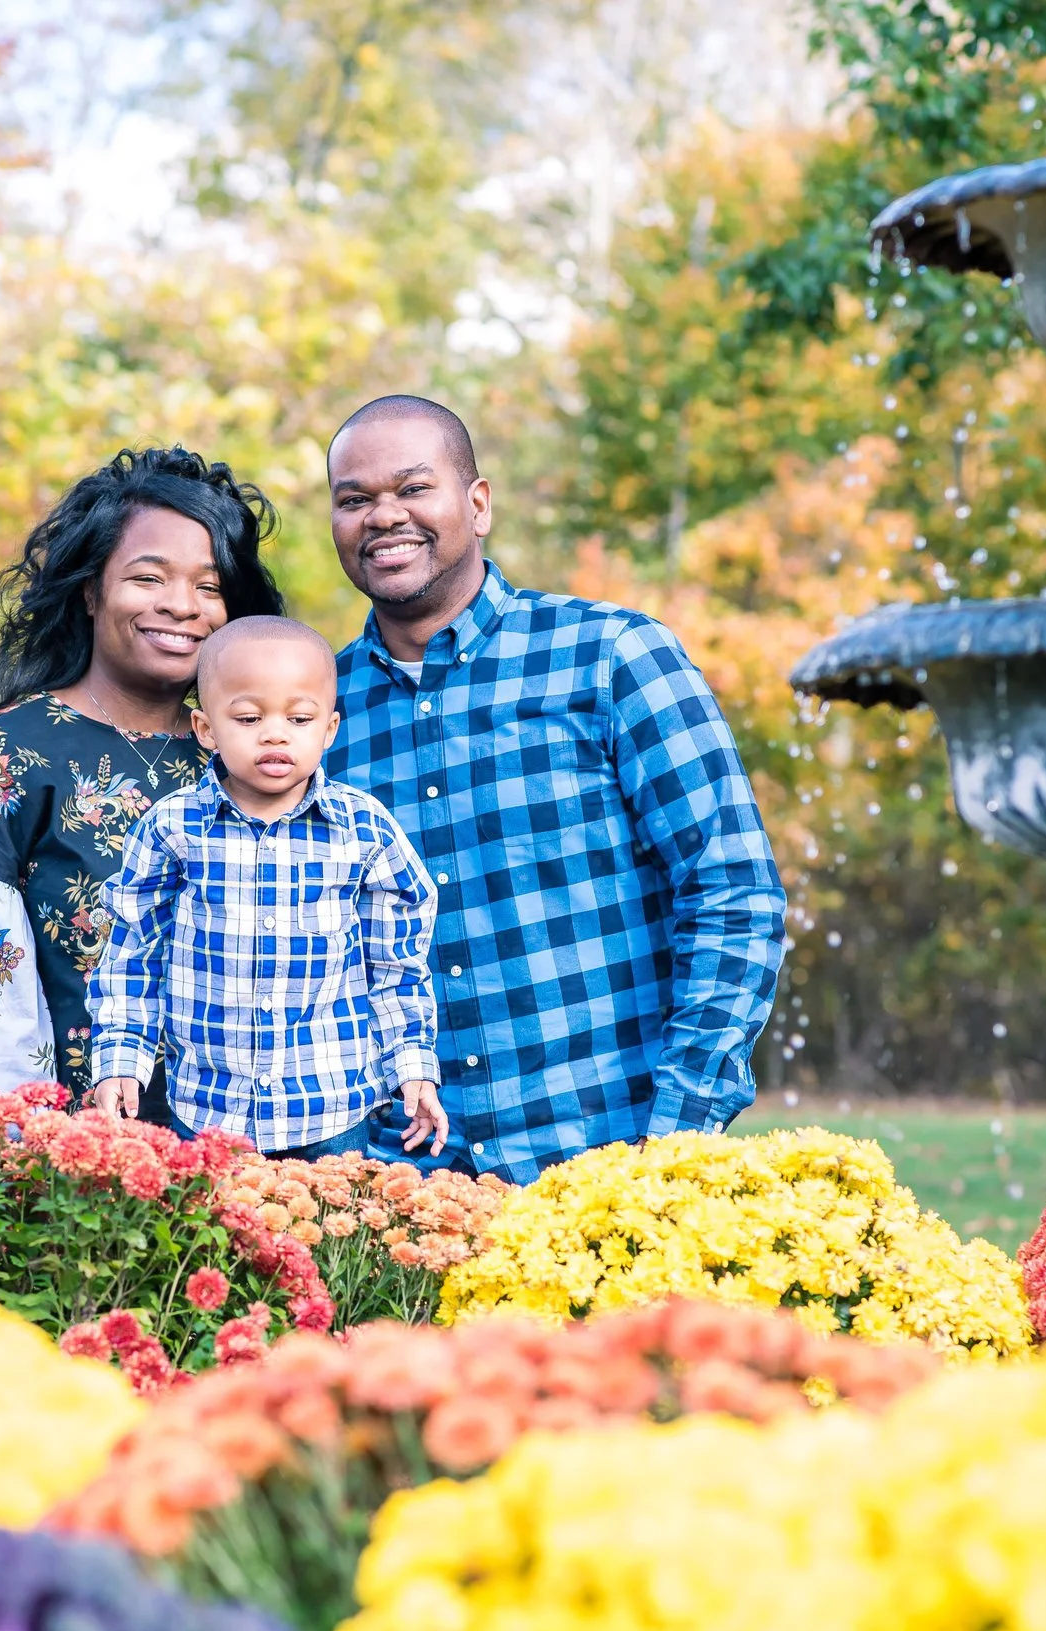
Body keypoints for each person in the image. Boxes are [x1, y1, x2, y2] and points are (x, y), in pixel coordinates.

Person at [321, 394, 787, 1182]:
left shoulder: (610, 657)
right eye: (354, 499)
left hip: (609, 1176)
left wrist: (673, 1144)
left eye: (412, 488)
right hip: (403, 1201)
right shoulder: (315, 717)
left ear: (478, 504)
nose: (384, 516)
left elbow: (732, 895)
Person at [0, 447, 283, 1119]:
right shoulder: (2, 757)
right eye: (149, 578)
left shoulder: (259, 751)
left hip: (258, 1158)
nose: (182, 606)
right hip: (71, 1185)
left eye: (209, 586)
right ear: (91, 590)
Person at [86, 616, 446, 1160]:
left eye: (299, 718)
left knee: (326, 1237)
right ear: (206, 730)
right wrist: (120, 1059)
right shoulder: (174, 827)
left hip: (330, 1104)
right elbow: (133, 955)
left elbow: (396, 965)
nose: (275, 733)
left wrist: (414, 1069)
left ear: (328, 730)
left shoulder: (363, 829)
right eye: (249, 717)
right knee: (214, 1241)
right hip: (209, 1108)